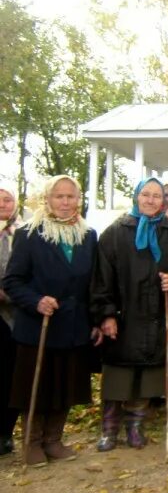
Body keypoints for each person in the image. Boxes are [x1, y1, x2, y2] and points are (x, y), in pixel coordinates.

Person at [91, 178, 168, 451]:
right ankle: (109, 429)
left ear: (164, 200)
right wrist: (106, 315)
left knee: (148, 377)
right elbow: (101, 279)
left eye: (157, 196)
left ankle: (135, 427)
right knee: (118, 377)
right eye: (146, 195)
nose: (151, 200)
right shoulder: (115, 233)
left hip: (158, 317)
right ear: (137, 197)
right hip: (124, 317)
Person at [3, 175, 99, 466]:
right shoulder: (29, 234)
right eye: (59, 196)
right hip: (39, 326)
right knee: (38, 384)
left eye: (71, 196)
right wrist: (36, 301)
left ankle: (54, 439)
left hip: (74, 325)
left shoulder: (88, 235)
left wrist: (95, 319)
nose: (65, 202)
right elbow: (13, 280)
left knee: (66, 384)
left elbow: (94, 282)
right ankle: (31, 442)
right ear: (47, 199)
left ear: (78, 200)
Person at [0, 185, 21, 456]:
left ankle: (5, 433)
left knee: (9, 376)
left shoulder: (24, 234)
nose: (3, 204)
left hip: (15, 315)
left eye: (8, 200)